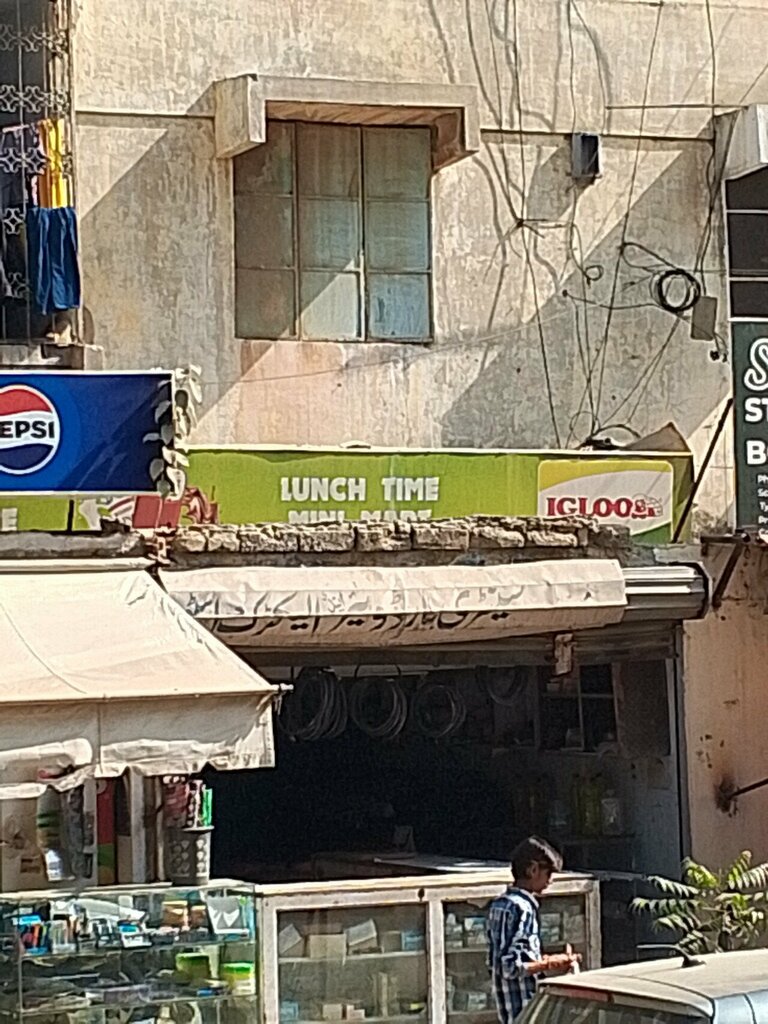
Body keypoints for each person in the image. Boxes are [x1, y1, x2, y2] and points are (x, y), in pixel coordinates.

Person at [487, 835, 580, 1022]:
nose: (551, 881)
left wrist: (546, 960)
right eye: (549, 874)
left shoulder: (499, 905)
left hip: (508, 1011)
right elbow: (510, 967)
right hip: (525, 1010)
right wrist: (551, 963)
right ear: (533, 870)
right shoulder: (522, 908)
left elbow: (498, 961)